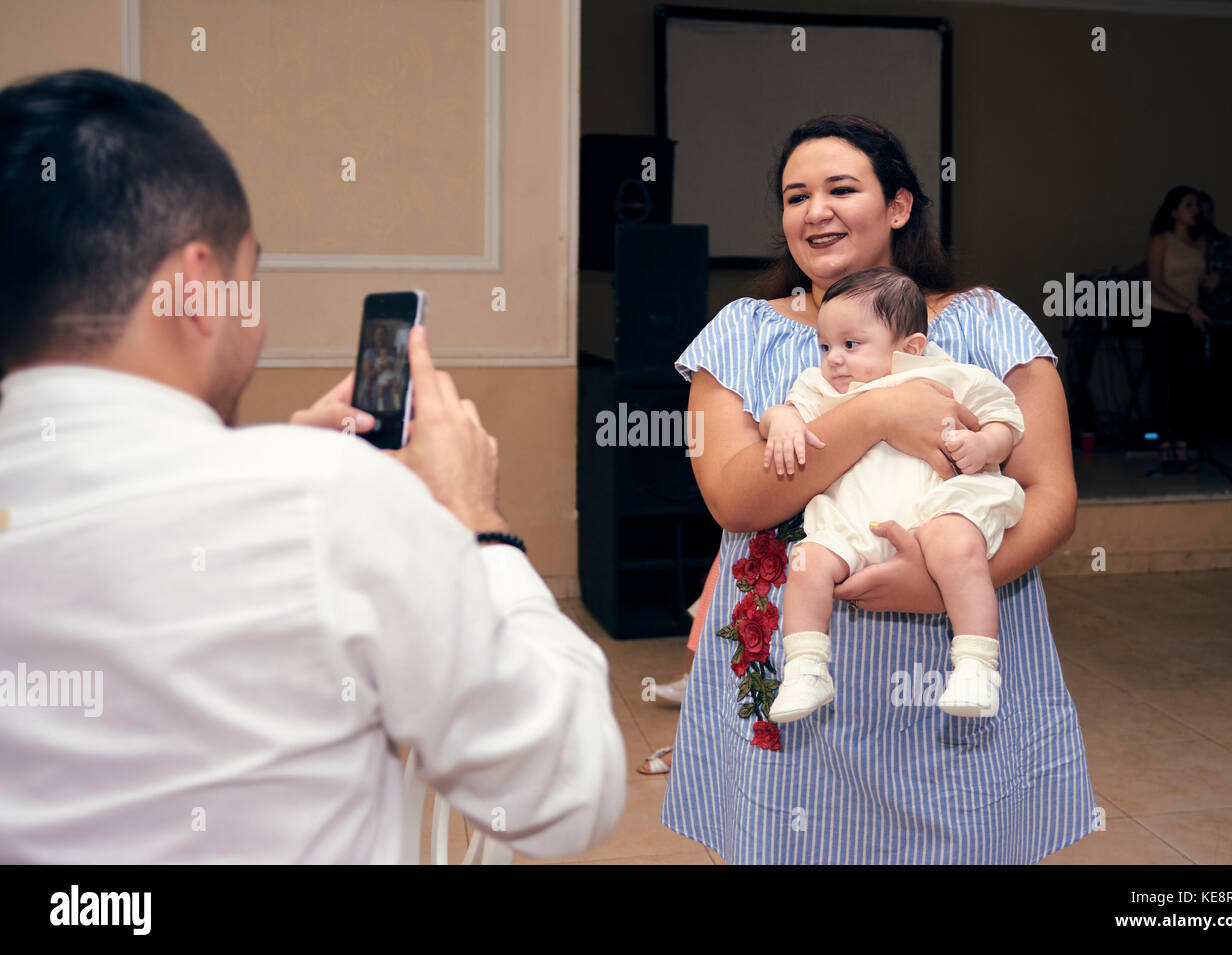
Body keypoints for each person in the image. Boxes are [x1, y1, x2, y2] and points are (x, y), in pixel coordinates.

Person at [0, 69, 625, 863]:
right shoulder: (328, 502)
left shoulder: (309, 496)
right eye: (249, 276)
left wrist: (266, 473)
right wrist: (478, 525)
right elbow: (568, 791)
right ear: (198, 288)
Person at [661, 114, 1095, 864]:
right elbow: (735, 498)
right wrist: (879, 411)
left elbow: (1050, 493)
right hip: (797, 689)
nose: (814, 210)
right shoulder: (741, 333)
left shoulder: (989, 323)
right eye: (796, 195)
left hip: (952, 687)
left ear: (898, 206)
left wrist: (943, 585)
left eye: (840, 188)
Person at [758, 267, 1026, 722]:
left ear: (910, 348)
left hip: (939, 508)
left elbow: (1006, 420)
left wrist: (983, 445)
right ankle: (806, 667)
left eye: (851, 344)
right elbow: (781, 414)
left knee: (958, 547)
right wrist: (781, 421)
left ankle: (977, 665)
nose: (833, 359)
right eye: (825, 347)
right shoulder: (821, 388)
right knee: (807, 562)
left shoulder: (951, 376)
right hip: (855, 517)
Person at [1144, 186, 1219, 472]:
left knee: (1187, 381)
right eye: (1188, 205)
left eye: (1196, 206)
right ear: (1174, 211)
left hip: (1191, 318)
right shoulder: (1161, 240)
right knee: (1163, 381)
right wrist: (1188, 306)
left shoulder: (1200, 244)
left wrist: (1211, 282)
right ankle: (1165, 447)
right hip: (1164, 316)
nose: (1195, 210)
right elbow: (1156, 280)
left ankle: (1183, 445)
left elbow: (1196, 278)